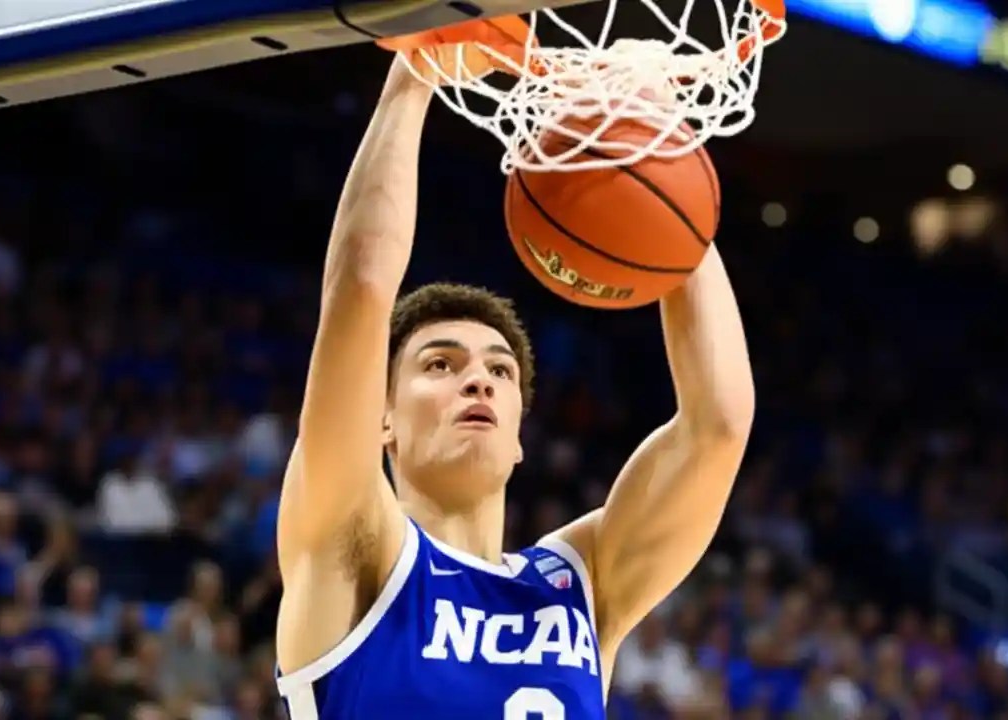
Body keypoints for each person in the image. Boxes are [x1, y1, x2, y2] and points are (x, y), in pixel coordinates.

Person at [273, 49, 755, 720]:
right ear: (380, 418)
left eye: (499, 370)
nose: (478, 379)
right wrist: (415, 74)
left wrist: (653, 135)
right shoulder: (351, 545)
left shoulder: (582, 581)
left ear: (521, 435)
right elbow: (360, 287)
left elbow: (719, 424)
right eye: (440, 364)